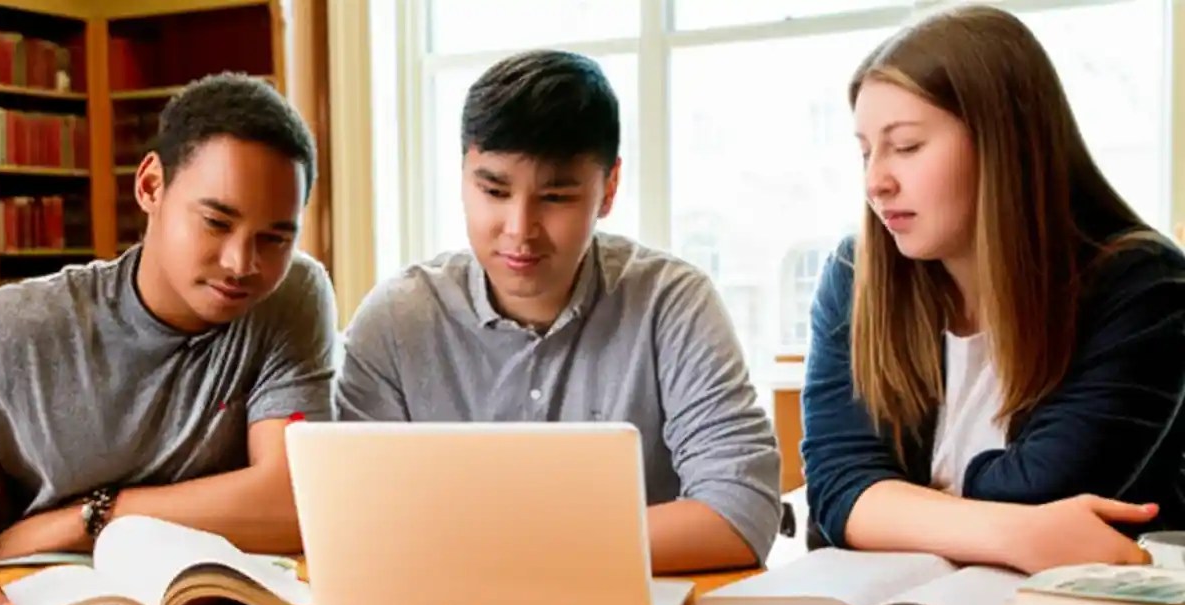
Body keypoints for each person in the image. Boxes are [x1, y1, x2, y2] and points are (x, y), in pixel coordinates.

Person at [0, 72, 336, 605]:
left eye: (275, 238)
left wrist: (90, 518)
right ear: (151, 186)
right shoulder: (9, 334)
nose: (241, 264)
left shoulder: (291, 296)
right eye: (216, 222)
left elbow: (292, 498)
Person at [334, 50, 782, 575]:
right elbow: (355, 521)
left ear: (608, 188)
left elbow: (740, 512)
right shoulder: (395, 321)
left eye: (555, 197)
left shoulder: (671, 303)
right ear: (462, 176)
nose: (519, 229)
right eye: (494, 191)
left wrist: (520, 553)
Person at [802, 4, 1185, 574]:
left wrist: (897, 505)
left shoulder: (1146, 288)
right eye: (866, 151)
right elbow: (837, 490)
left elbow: (1047, 490)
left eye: (905, 146)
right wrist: (1019, 533)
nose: (875, 181)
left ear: (1003, 143)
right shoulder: (857, 274)